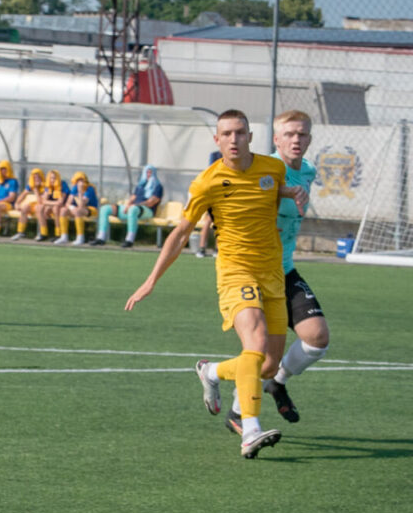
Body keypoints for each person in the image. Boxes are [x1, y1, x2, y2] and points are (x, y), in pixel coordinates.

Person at [124, 110, 306, 458]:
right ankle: (250, 431)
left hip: (272, 274)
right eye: (226, 134)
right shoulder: (207, 182)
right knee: (255, 344)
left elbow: (267, 191)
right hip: (235, 272)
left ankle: (211, 371)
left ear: (250, 136)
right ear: (217, 139)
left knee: (268, 365)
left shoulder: (273, 168)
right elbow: (180, 234)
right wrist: (151, 280)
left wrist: (290, 191)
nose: (233, 139)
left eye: (239, 132)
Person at [224, 110, 329, 434]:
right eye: (289, 134)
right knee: (262, 357)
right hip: (255, 272)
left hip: (284, 269)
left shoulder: (308, 171)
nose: (296, 140)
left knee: (317, 339)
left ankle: (277, 384)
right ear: (276, 139)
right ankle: (236, 410)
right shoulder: (265, 170)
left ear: (309, 139)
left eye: (302, 134)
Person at [94, 164, 164, 247]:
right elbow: (133, 197)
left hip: (147, 211)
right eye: (147, 172)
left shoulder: (158, 187)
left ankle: (129, 240)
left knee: (133, 209)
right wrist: (128, 205)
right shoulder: (140, 186)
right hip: (134, 208)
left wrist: (134, 205)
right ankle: (101, 238)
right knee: (105, 209)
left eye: (150, 172)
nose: (148, 174)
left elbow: (151, 202)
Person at [59, 172, 99, 246]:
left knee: (78, 211)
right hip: (78, 210)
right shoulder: (75, 188)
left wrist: (80, 192)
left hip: (91, 209)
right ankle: (64, 236)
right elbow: (67, 203)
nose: (80, 182)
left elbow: (82, 205)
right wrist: (72, 207)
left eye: (82, 180)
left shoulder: (90, 189)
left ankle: (80, 237)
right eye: (78, 180)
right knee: (63, 210)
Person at [10, 168, 46, 240]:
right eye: (34, 177)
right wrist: (17, 203)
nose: (36, 179)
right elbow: (23, 195)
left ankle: (43, 233)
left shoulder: (45, 186)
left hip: (43, 206)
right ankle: (20, 232)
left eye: (38, 177)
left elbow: (41, 201)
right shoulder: (31, 185)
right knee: (25, 207)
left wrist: (36, 189)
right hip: (35, 205)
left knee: (39, 208)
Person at [35, 169, 66, 241]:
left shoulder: (63, 184)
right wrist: (54, 203)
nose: (52, 180)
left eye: (54, 178)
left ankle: (58, 234)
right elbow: (44, 201)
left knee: (56, 208)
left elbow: (61, 201)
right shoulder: (48, 186)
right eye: (51, 178)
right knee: (39, 208)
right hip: (53, 204)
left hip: (64, 206)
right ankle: (43, 233)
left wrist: (53, 203)